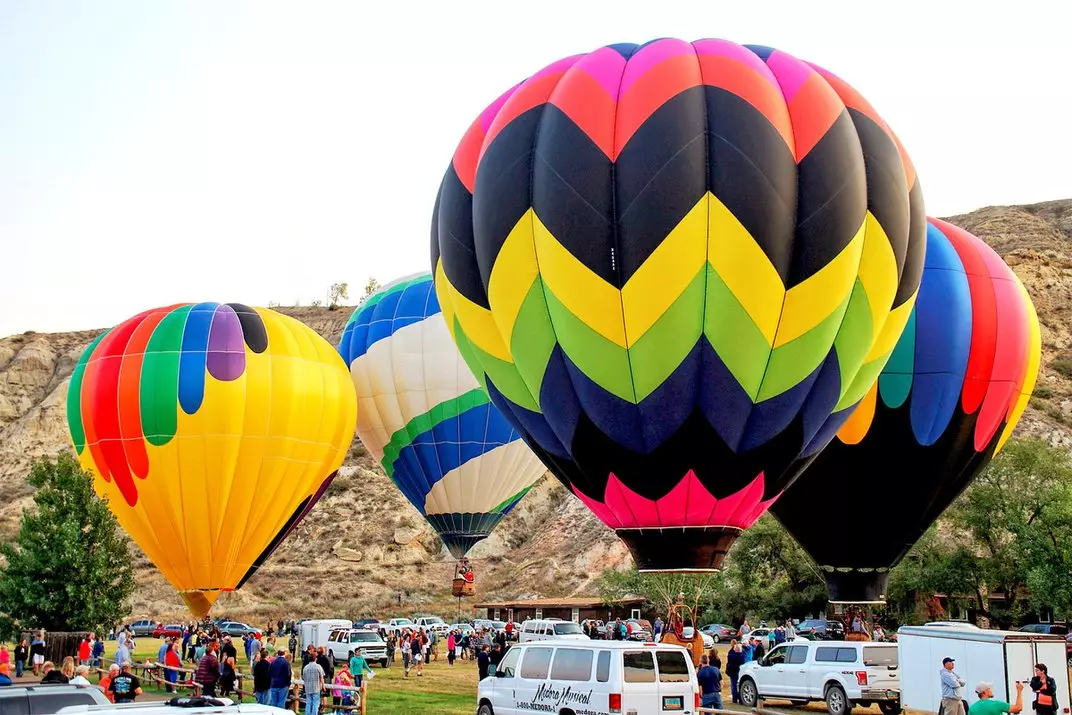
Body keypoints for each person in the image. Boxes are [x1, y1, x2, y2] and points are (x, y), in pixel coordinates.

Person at [726, 640, 744, 704]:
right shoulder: (741, 655)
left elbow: (729, 661)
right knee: (739, 685)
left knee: (734, 686)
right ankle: (740, 699)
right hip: (739, 671)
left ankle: (735, 699)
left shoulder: (731, 654)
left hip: (733, 672)